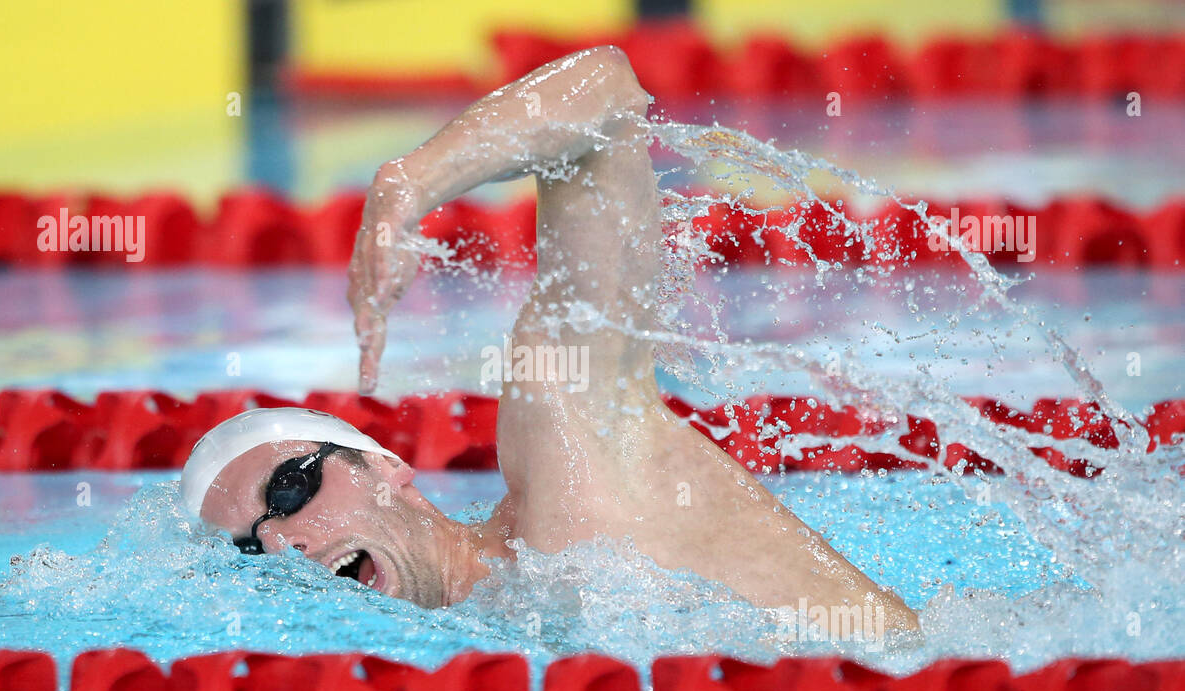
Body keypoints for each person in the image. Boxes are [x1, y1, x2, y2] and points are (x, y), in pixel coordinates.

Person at [181, 46, 918, 634]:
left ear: (384, 467)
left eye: (289, 488)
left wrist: (407, 182)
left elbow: (606, 96)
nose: (284, 547)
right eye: (251, 553)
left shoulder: (568, 471)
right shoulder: (475, 645)